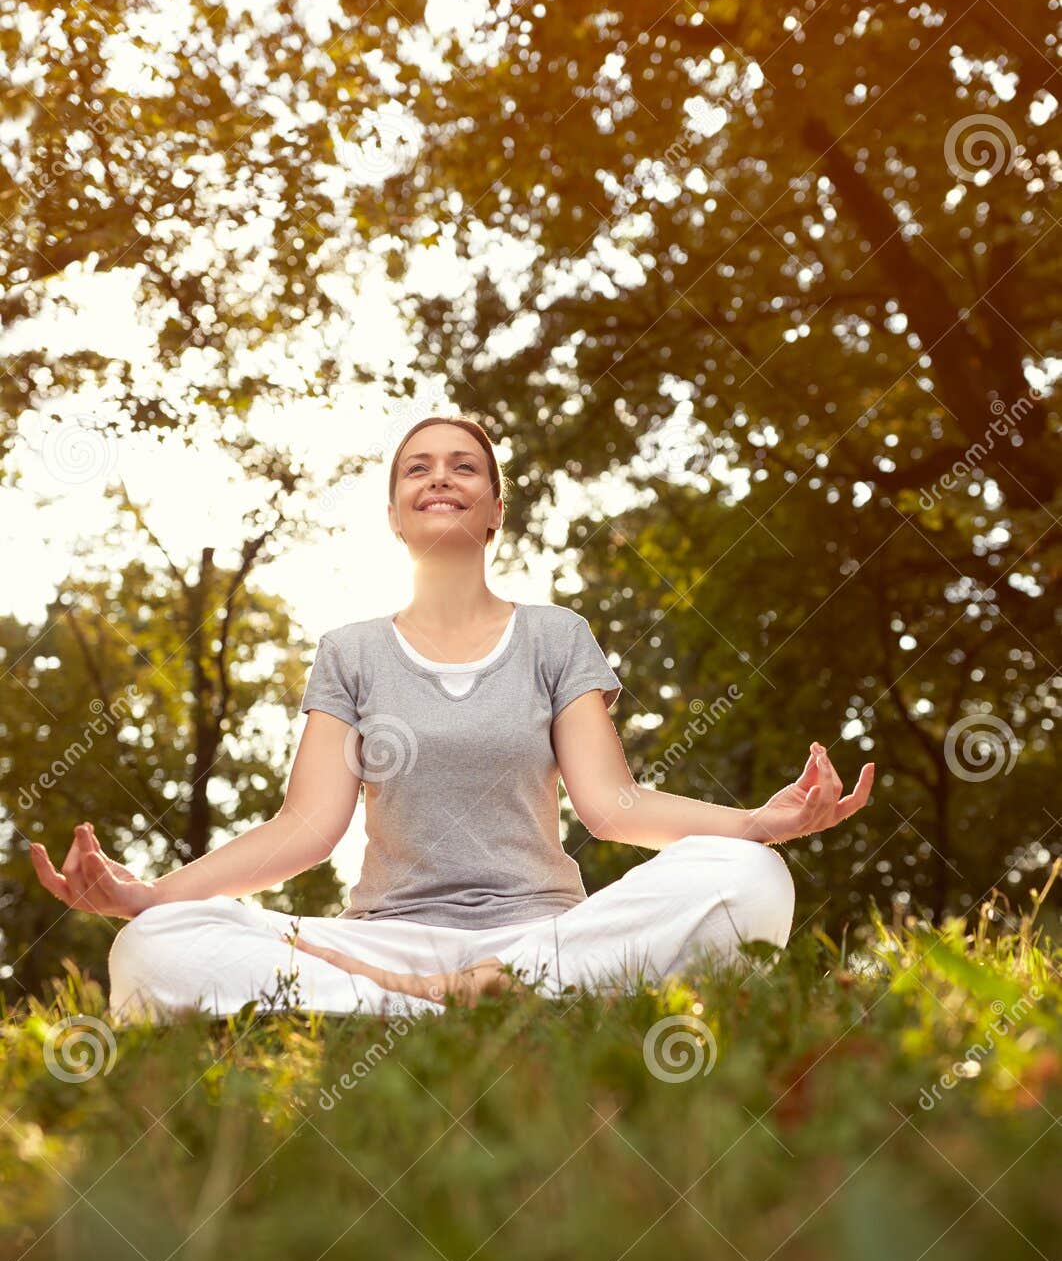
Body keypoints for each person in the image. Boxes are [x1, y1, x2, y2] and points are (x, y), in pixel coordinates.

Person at [29, 415, 874, 1023]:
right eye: (418, 469)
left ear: (495, 509)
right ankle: (440, 999)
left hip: (545, 935)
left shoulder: (554, 636)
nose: (440, 477)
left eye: (464, 467)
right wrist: (151, 896)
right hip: (385, 943)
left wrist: (753, 824)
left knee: (752, 878)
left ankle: (461, 992)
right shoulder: (351, 651)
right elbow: (305, 829)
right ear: (395, 514)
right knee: (154, 945)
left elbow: (613, 807)